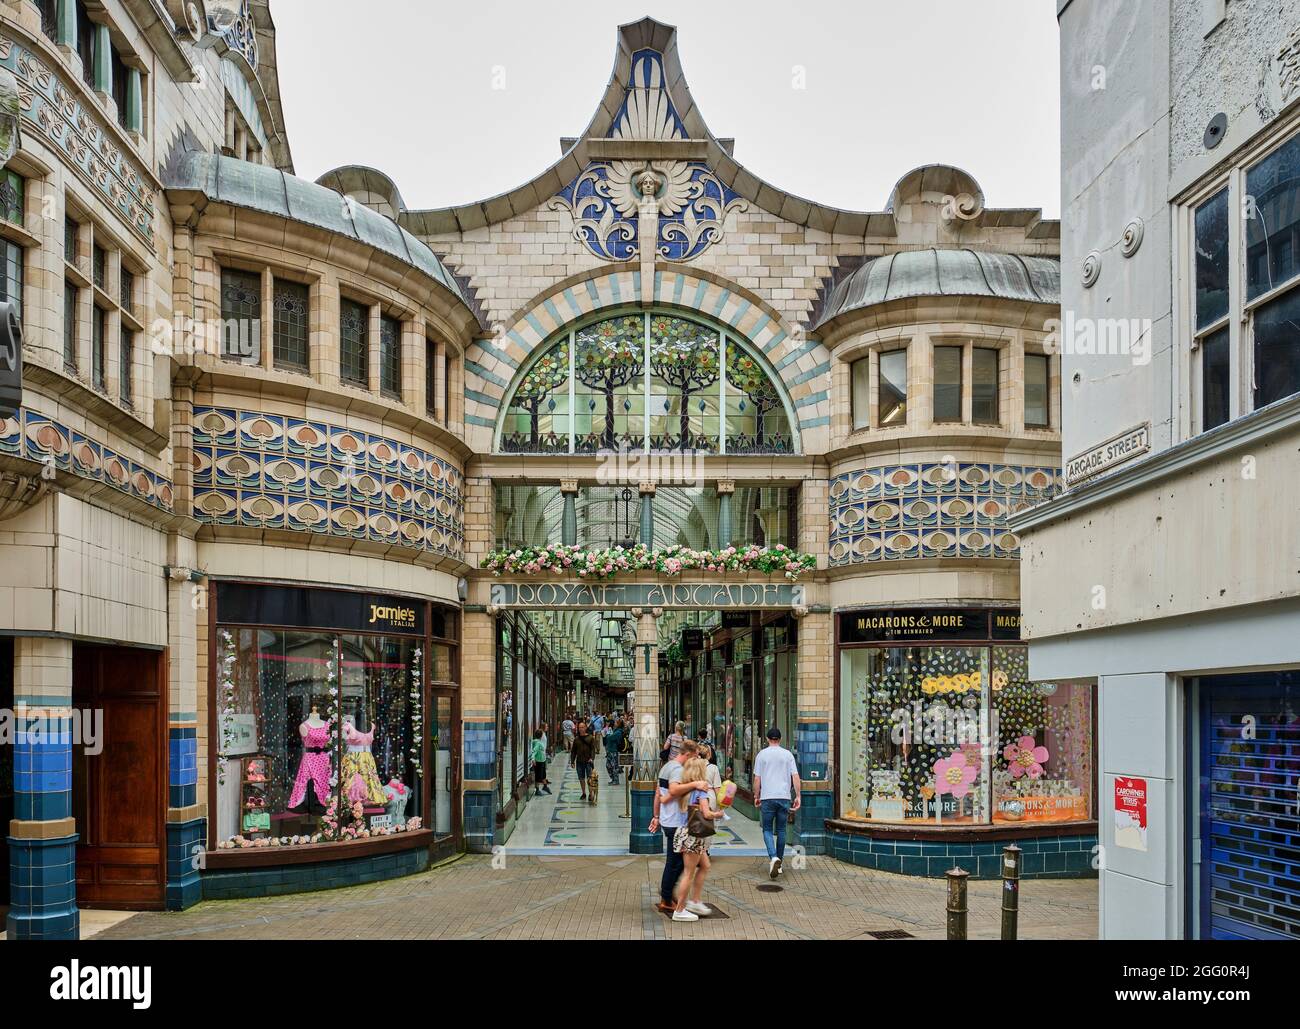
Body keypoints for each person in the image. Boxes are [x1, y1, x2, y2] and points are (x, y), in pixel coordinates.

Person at [649, 739, 708, 915]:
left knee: (677, 863)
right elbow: (673, 790)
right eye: (696, 755)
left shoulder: (666, 767)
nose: (696, 759)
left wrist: (657, 816)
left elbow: (659, 794)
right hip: (676, 822)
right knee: (676, 864)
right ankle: (667, 897)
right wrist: (696, 784)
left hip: (668, 820)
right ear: (688, 754)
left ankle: (669, 895)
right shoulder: (677, 769)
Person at [670, 756, 726, 922]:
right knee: (688, 873)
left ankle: (694, 901)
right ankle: (680, 910)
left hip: (684, 832)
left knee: (705, 865)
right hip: (694, 834)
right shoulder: (701, 791)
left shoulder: (684, 789)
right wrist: (718, 814)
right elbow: (707, 813)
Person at [752, 727, 801, 879]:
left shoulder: (762, 755)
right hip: (784, 797)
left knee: (767, 829)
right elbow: (795, 777)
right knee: (781, 830)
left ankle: (773, 857)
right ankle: (778, 863)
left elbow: (757, 779)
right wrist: (798, 795)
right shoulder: (787, 755)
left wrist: (756, 795)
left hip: (767, 797)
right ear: (780, 739)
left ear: (767, 739)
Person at [571, 719, 597, 804]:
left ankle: (590, 793)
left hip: (588, 762)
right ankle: (583, 793)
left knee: (589, 778)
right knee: (581, 778)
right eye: (579, 727)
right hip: (579, 761)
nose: (581, 729)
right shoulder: (576, 739)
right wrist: (572, 761)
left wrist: (592, 758)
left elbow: (593, 749)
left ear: (585, 728)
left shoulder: (590, 738)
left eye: (582, 727)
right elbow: (573, 751)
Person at [530, 729, 551, 797]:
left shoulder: (538, 742)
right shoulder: (537, 743)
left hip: (542, 761)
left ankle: (545, 786)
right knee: (538, 776)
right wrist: (533, 759)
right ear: (541, 735)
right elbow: (534, 751)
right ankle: (537, 789)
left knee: (543, 775)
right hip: (538, 761)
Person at [605, 718, 624, 785]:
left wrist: (607, 735)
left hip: (614, 751)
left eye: (616, 722)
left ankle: (616, 780)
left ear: (618, 724)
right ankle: (613, 779)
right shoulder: (615, 730)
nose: (614, 723)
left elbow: (610, 737)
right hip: (610, 751)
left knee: (614, 766)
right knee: (608, 765)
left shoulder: (618, 732)